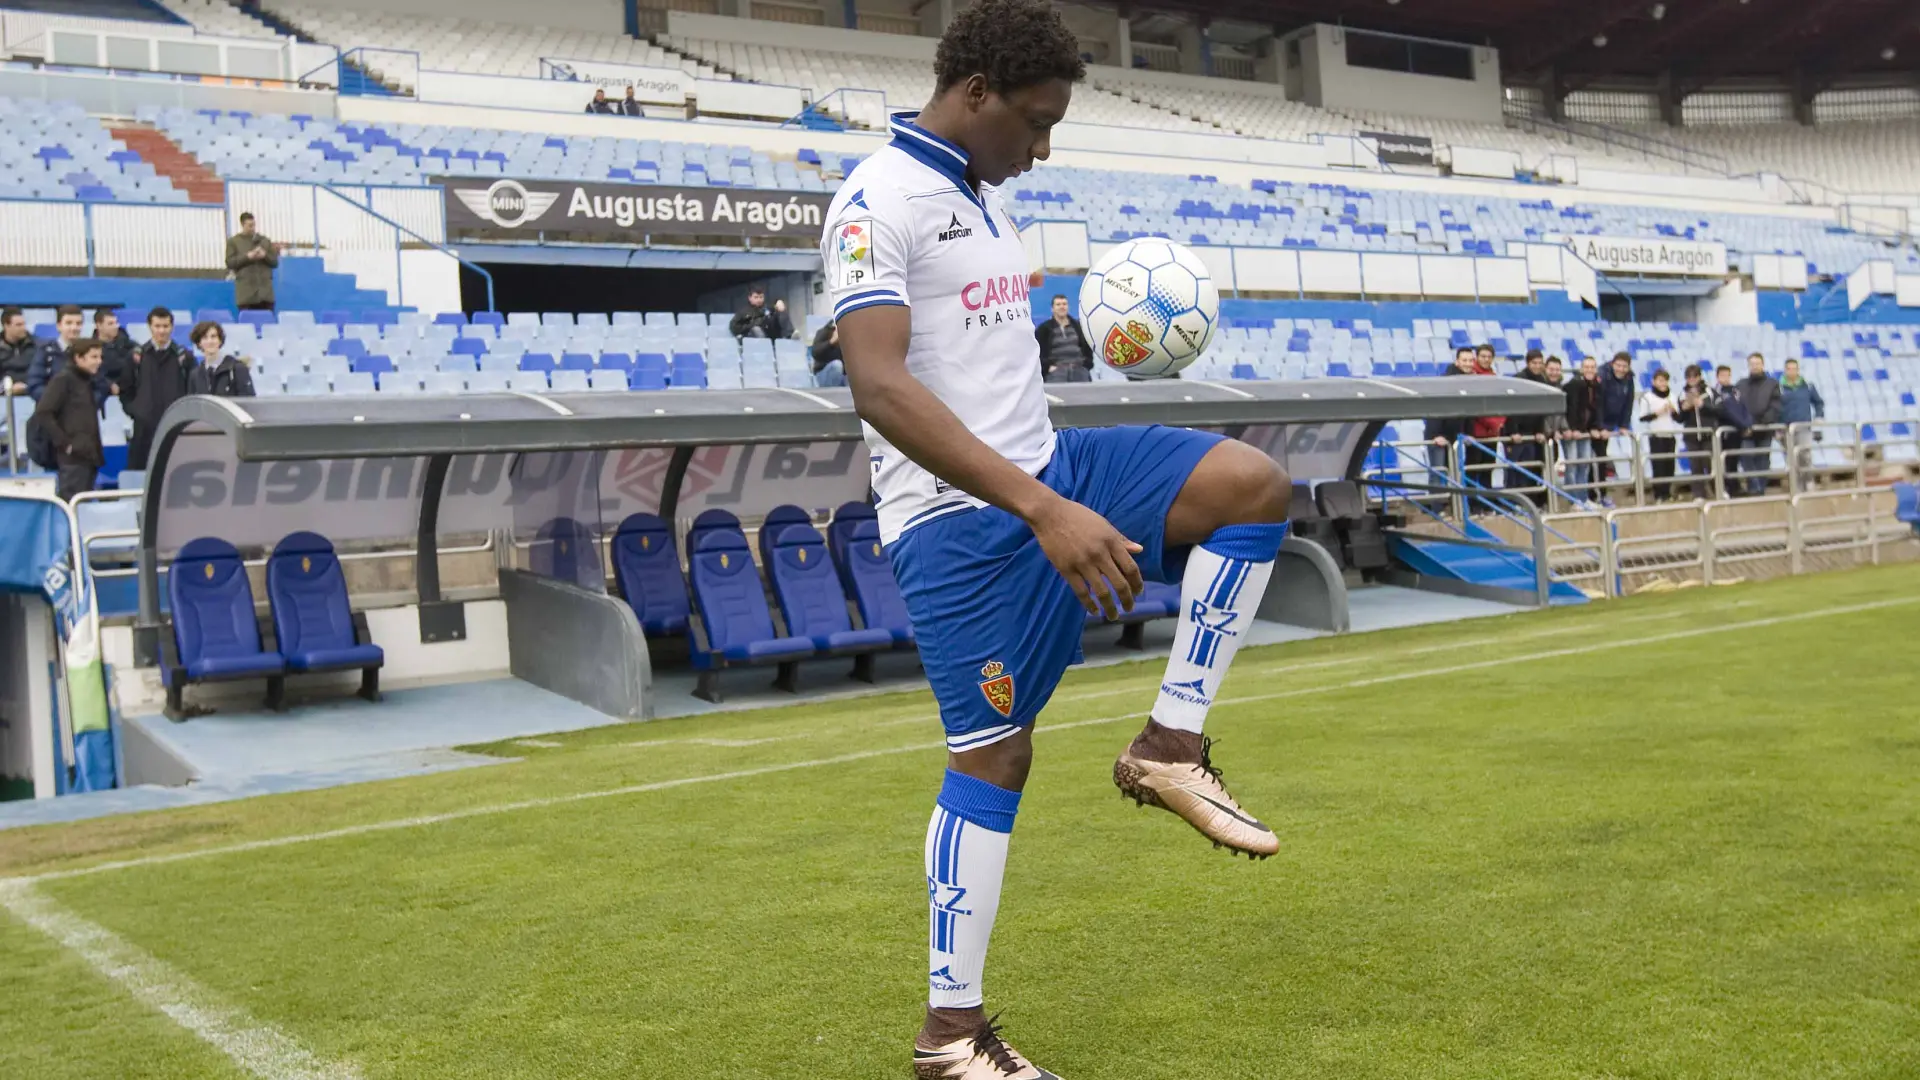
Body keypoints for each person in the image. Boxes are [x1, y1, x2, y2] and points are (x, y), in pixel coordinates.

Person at [821, 2, 1292, 1074]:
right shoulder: (876, 202)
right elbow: (879, 386)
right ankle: (951, 1037)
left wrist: (1055, 477)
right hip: (962, 524)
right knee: (994, 753)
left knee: (1251, 486)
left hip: (1056, 469)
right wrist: (1041, 511)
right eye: (1034, 123)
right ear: (975, 92)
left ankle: (1169, 749)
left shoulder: (977, 195)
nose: (1042, 149)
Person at [121, 307, 195, 471]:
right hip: (143, 430)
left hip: (175, 427)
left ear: (172, 327)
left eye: (165, 326)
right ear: (150, 327)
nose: (162, 331)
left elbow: (192, 389)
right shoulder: (136, 357)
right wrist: (137, 412)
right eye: (157, 326)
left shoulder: (184, 357)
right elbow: (125, 391)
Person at [32, 337, 104, 500]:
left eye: (100, 357)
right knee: (71, 505)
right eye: (94, 357)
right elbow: (43, 413)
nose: (99, 362)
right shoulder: (63, 380)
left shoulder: (86, 381)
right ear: (79, 357)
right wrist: (65, 444)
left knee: (83, 506)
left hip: (88, 455)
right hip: (73, 458)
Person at [26, 305, 104, 404]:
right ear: (59, 326)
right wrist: (58, 400)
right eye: (68, 323)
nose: (74, 328)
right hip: (52, 413)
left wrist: (82, 402)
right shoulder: (45, 352)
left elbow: (100, 386)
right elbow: (34, 384)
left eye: (78, 323)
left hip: (83, 413)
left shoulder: (90, 351)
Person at [1424, 345, 1477, 480]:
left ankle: (1451, 501)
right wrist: (1436, 435)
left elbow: (1468, 412)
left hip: (1455, 437)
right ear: (1457, 362)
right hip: (1439, 437)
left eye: (1471, 361)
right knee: (1438, 472)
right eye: (1464, 360)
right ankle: (1435, 501)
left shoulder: (1471, 382)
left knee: (1454, 473)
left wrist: (1468, 433)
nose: (1468, 364)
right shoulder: (1445, 381)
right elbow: (1435, 407)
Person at [1506, 350, 1551, 505]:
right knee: (1514, 470)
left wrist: (1539, 431)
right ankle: (1511, 503)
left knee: (1529, 469)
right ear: (1528, 363)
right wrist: (1513, 431)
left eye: (1540, 363)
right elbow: (1512, 408)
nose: (1537, 366)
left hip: (1531, 434)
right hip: (1516, 434)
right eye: (1534, 363)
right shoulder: (1519, 380)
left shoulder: (1542, 381)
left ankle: (1528, 503)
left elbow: (1541, 410)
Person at [1736, 352, 1782, 496]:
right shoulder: (1740, 384)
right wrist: (1745, 424)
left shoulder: (1772, 383)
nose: (1755, 366)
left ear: (1763, 365)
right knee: (1746, 456)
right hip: (1746, 431)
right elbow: (1737, 407)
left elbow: (1775, 406)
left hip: (1764, 429)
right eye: (1752, 364)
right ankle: (1754, 486)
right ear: (1749, 366)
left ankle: (1759, 489)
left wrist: (1760, 423)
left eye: (1757, 364)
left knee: (1763, 460)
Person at [1595, 351, 1636, 503]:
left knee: (1602, 458)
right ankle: (1596, 495)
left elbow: (1628, 403)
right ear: (1612, 364)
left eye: (1624, 366)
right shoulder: (1603, 376)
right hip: (1598, 424)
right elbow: (1598, 403)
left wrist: (1624, 425)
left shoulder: (1629, 378)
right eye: (1618, 365)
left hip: (1612, 424)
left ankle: (1602, 494)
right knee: (1596, 459)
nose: (1620, 369)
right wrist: (1601, 426)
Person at [1636, 369, 1682, 501]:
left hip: (1670, 435)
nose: (1663, 383)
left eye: (1665, 380)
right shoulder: (1647, 397)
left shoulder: (1672, 396)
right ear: (1654, 381)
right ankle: (1659, 495)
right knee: (1658, 466)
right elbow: (1643, 417)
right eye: (1660, 380)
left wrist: (1673, 410)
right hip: (1656, 435)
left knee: (1669, 466)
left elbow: (1678, 418)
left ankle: (1667, 493)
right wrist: (1658, 412)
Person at [1710, 364, 1756, 497]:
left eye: (1727, 375)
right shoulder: (1715, 392)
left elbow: (1744, 408)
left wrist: (1748, 424)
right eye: (1722, 375)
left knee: (1734, 460)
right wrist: (1743, 425)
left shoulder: (1736, 391)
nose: (1725, 378)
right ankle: (1725, 488)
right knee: (1724, 461)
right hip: (1724, 433)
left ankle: (1735, 487)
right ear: (1717, 377)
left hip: (1737, 433)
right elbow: (1726, 412)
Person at [1562, 356, 1604, 501]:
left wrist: (1595, 427)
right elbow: (1572, 408)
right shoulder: (1574, 384)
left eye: (1592, 367)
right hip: (1573, 431)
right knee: (1572, 464)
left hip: (1584, 432)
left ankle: (1582, 498)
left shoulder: (1596, 387)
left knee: (1584, 464)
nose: (1589, 370)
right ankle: (1571, 499)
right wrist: (1573, 428)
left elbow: (1594, 410)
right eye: (1586, 367)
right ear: (1581, 369)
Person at [1674, 363, 1717, 501]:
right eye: (1689, 377)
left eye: (1695, 377)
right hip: (1691, 436)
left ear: (1699, 377)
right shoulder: (1682, 394)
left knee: (1711, 464)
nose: (1692, 380)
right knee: (1695, 466)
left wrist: (1702, 405)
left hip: (1708, 434)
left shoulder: (1709, 391)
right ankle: (1699, 494)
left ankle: (1718, 490)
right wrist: (1685, 408)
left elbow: (1718, 410)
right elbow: (1679, 418)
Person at [1779, 358, 1825, 481]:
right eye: (1789, 369)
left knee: (1805, 456)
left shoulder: (1808, 386)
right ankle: (1795, 486)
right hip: (1785, 429)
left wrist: (1819, 415)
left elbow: (1818, 402)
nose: (1792, 371)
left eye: (1794, 369)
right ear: (1785, 370)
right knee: (1790, 458)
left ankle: (1809, 482)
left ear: (1798, 370)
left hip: (1804, 427)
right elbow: (1775, 408)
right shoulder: (1778, 388)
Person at [226, 212, 279, 312]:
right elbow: (230, 263)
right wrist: (247, 257)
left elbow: (275, 262)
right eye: (249, 226)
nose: (252, 228)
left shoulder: (265, 241)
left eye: (254, 225)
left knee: (267, 324)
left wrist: (265, 256)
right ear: (242, 225)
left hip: (265, 295)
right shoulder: (234, 242)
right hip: (246, 296)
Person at [186, 321, 255, 398]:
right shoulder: (195, 375)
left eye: (213, 336)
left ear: (220, 340)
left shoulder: (238, 369)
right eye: (205, 337)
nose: (210, 341)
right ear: (199, 343)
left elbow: (249, 402)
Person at [1033, 295, 1092, 383]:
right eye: (1058, 304)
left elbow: (1088, 350)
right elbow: (1037, 352)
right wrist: (1047, 367)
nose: (1062, 307)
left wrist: (1086, 365)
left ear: (1068, 307)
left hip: (1079, 370)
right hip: (1056, 372)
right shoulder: (1044, 329)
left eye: (1064, 304)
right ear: (1052, 309)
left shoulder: (1079, 327)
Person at [92, 307, 133, 393]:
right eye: (110, 324)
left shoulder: (124, 340)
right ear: (99, 325)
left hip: (128, 386)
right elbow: (93, 372)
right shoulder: (92, 347)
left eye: (116, 323)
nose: (115, 326)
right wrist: (109, 384)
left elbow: (138, 348)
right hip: (104, 388)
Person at [0, 307, 36, 394]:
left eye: (24, 324)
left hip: (32, 392)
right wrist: (6, 388)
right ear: (6, 326)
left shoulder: (37, 346)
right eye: (19, 325)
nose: (23, 328)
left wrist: (28, 386)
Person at [809, 319, 847, 387]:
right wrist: (831, 342)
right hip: (823, 373)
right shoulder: (824, 332)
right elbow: (815, 352)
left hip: (843, 376)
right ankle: (833, 394)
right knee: (837, 365)